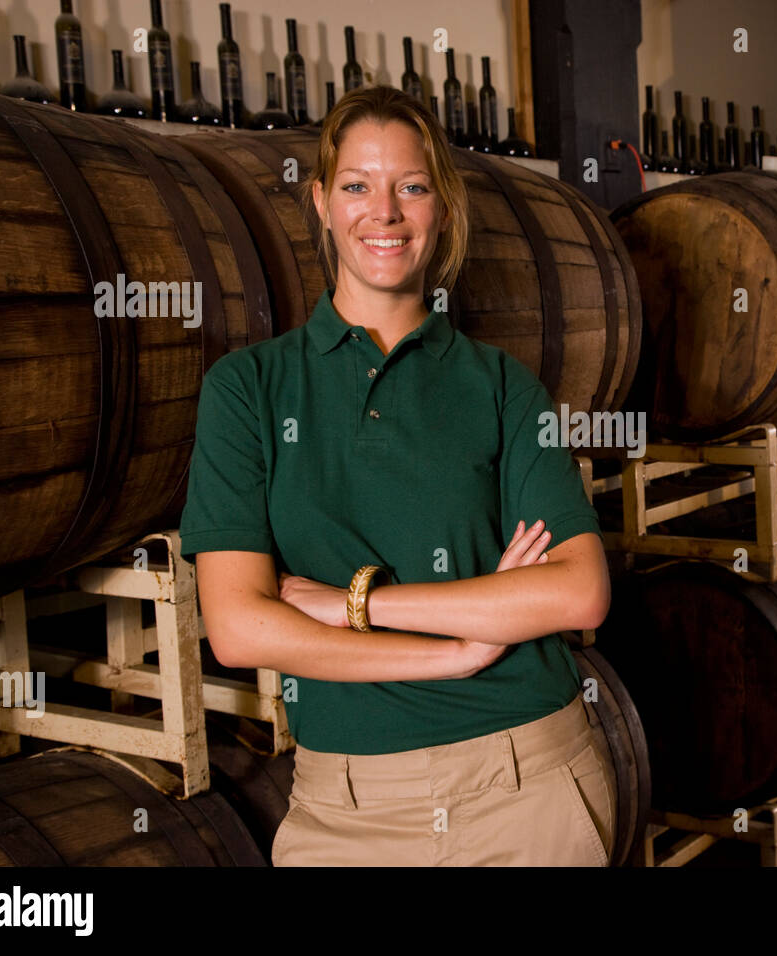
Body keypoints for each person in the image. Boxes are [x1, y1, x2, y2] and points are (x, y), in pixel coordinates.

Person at [178, 84, 615, 866]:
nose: (383, 212)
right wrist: (457, 646)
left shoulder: (502, 385)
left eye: (410, 186)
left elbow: (577, 591)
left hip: (525, 784)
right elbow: (240, 628)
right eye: (356, 186)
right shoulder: (247, 389)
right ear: (320, 202)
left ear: (440, 207)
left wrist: (358, 606)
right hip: (344, 811)